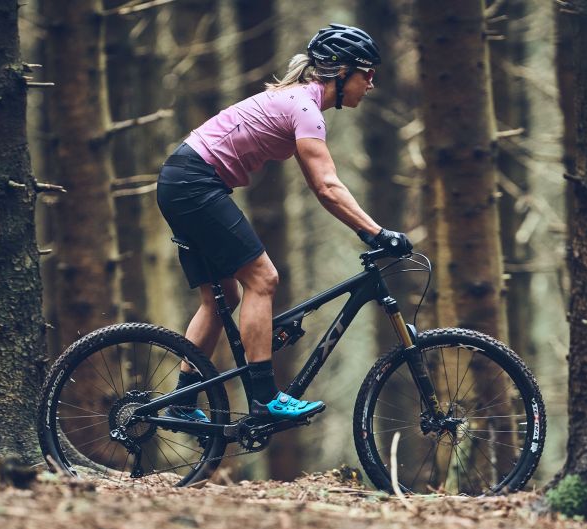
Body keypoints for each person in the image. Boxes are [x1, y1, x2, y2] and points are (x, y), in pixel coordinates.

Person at [156, 23, 413, 423]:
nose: (372, 84)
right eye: (368, 74)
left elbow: (323, 185)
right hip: (194, 183)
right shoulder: (306, 108)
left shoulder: (296, 102)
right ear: (341, 72)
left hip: (182, 179)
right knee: (263, 279)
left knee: (220, 296)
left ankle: (181, 403)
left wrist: (368, 229)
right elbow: (326, 187)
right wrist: (377, 233)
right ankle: (263, 399)